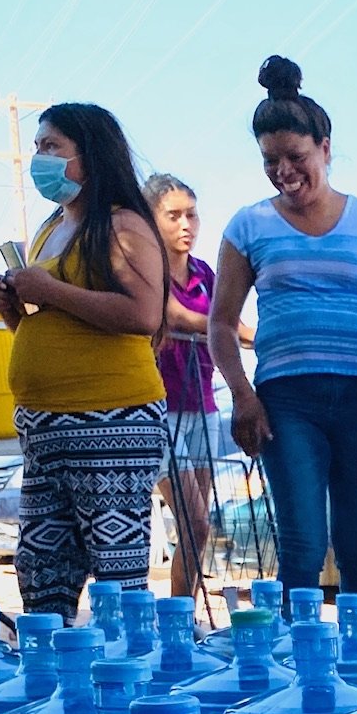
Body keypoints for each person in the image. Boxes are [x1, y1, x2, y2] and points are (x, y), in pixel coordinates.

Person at [210, 56, 357, 608]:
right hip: (286, 402)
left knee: (356, 545)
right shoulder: (247, 225)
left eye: (295, 156)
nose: (283, 170)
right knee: (303, 541)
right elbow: (221, 325)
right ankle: (296, 677)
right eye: (269, 160)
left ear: (325, 147)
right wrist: (244, 397)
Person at [0, 102, 166, 620]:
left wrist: (52, 290)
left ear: (90, 155)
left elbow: (143, 313)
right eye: (37, 147)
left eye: (51, 147)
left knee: (117, 575)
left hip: (109, 420)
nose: (38, 158)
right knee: (42, 570)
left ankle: (128, 686)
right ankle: (54, 687)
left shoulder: (122, 225)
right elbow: (47, 326)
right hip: (44, 426)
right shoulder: (48, 229)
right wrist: (13, 308)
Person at [144, 172, 246, 600]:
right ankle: (177, 619)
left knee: (194, 530)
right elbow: (176, 317)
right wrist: (239, 332)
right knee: (196, 519)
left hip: (201, 405)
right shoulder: (144, 270)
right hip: (158, 407)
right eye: (173, 216)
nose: (186, 225)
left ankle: (181, 619)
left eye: (192, 215)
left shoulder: (206, 272)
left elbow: (226, 316)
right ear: (150, 220)